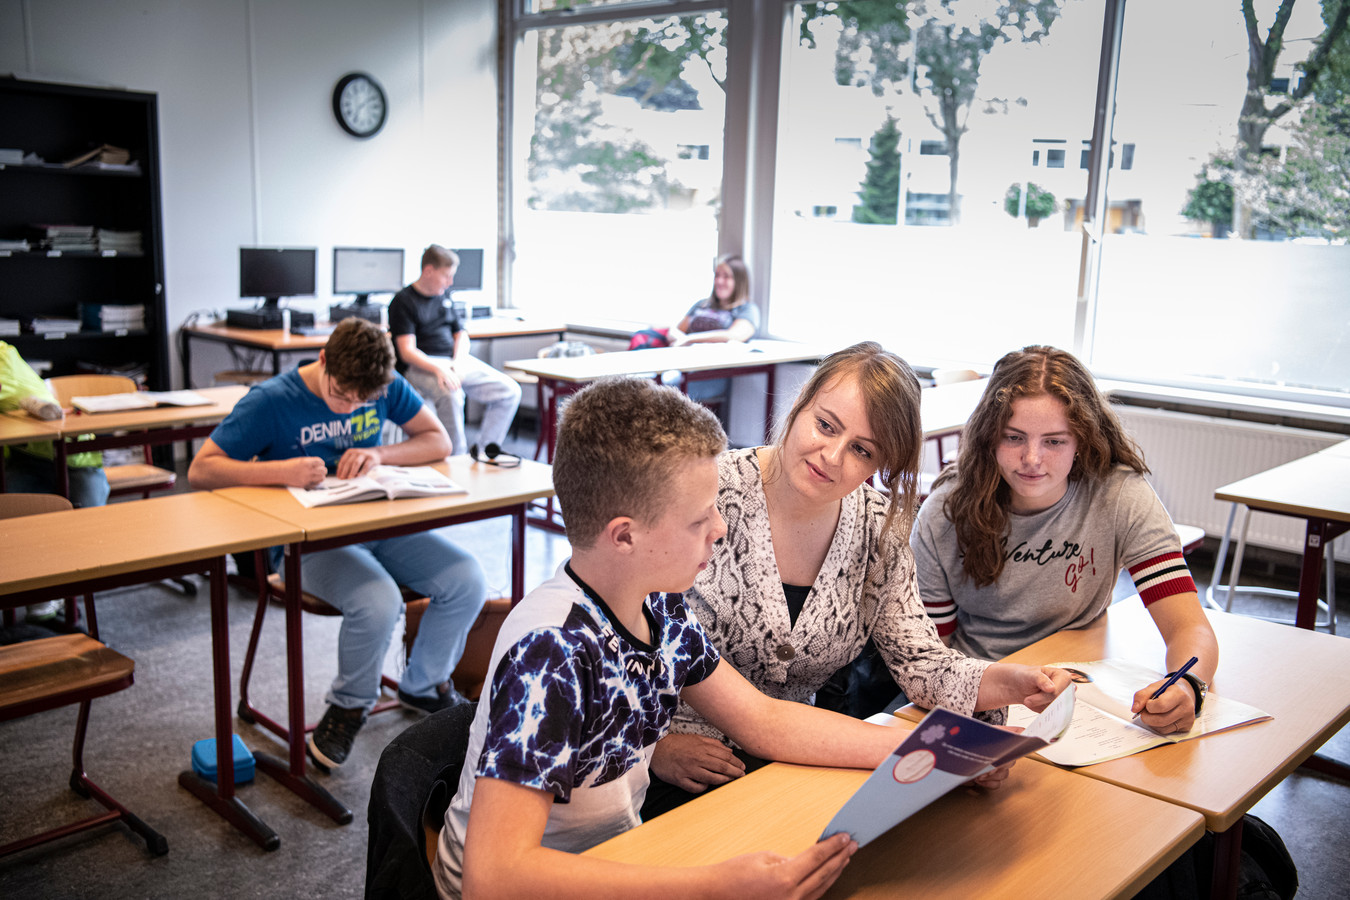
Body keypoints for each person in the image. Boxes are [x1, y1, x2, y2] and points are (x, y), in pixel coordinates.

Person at [435, 376, 1034, 900]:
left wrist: (941, 752)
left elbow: (763, 722)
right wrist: (715, 886)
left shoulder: (658, 611)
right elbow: (496, 879)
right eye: (700, 519)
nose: (721, 528)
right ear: (624, 537)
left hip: (620, 854)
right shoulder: (555, 652)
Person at [643, 341, 1071, 818]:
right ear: (801, 401)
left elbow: (922, 664)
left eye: (862, 450)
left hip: (797, 757)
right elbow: (613, 631)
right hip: (666, 759)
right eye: (825, 425)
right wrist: (650, 748)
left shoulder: (876, 528)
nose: (831, 456)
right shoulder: (708, 490)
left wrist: (1009, 681)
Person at [188, 318, 487, 772]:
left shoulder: (383, 384)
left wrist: (380, 454)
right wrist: (278, 471)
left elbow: (437, 440)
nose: (350, 409)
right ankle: (349, 705)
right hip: (304, 544)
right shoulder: (272, 400)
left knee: (466, 579)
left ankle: (424, 684)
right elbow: (202, 469)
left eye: (363, 401)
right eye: (341, 396)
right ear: (322, 360)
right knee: (378, 600)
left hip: (374, 523)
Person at [912, 344, 1219, 736]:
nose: (1032, 459)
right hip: (979, 694)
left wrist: (1189, 685)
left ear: (1083, 440)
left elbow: (1189, 628)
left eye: (1054, 441)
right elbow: (928, 659)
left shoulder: (1119, 494)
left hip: (1084, 691)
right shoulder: (945, 512)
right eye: (1014, 438)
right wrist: (989, 703)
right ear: (990, 437)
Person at [2, 342, 112, 624]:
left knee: (85, 525)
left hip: (73, 457)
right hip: (21, 455)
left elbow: (25, 398)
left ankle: (65, 598)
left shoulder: (3, 356)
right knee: (21, 525)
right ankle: (41, 608)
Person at [388, 244, 521, 456]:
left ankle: (485, 450)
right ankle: (456, 457)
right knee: (452, 392)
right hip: (422, 365)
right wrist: (440, 370)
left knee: (510, 391)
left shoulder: (444, 296)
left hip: (454, 361)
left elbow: (461, 334)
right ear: (428, 271)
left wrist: (458, 362)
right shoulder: (403, 301)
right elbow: (407, 351)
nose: (450, 282)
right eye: (446, 276)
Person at [661, 254, 761, 404]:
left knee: (667, 389)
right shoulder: (702, 305)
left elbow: (734, 335)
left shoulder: (747, 309)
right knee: (644, 382)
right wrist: (679, 337)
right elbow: (675, 331)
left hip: (711, 375)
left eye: (726, 276)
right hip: (682, 366)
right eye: (717, 275)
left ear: (739, 281)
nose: (719, 281)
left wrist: (689, 339)